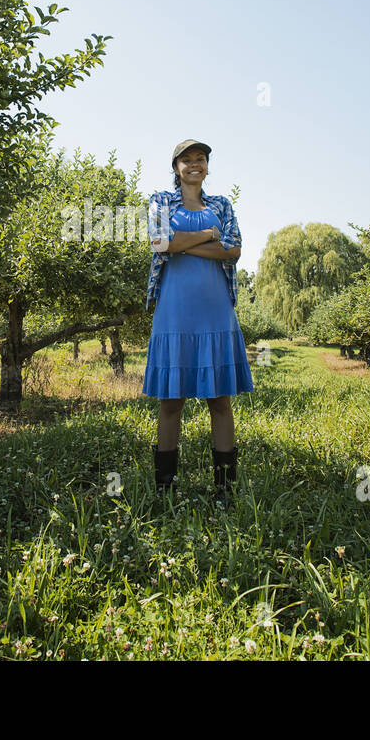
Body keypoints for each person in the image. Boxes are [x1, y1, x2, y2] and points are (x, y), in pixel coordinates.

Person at [143, 139, 253, 506]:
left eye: (200, 159)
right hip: (174, 311)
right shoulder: (161, 200)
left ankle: (225, 490)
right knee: (171, 401)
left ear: (207, 165)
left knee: (219, 399)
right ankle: (165, 488)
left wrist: (180, 243)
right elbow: (159, 242)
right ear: (176, 167)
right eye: (186, 160)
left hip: (216, 310)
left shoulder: (221, 205)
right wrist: (208, 236)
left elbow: (234, 249)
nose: (194, 164)